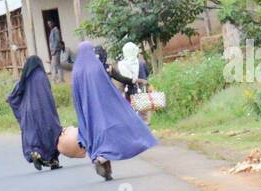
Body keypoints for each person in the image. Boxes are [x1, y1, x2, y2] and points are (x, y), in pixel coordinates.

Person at [70, 41, 157, 180]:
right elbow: (114, 83)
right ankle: (103, 161)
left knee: (96, 137)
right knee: (110, 135)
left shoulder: (76, 72)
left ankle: (105, 167)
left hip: (88, 113)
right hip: (104, 108)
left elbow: (75, 95)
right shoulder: (100, 67)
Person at [8, 55, 63, 171]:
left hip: (30, 112)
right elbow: (48, 93)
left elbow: (16, 93)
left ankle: (35, 152)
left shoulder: (26, 77)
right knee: (51, 132)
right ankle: (53, 160)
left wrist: (14, 102)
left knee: (33, 134)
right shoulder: (42, 76)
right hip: (45, 109)